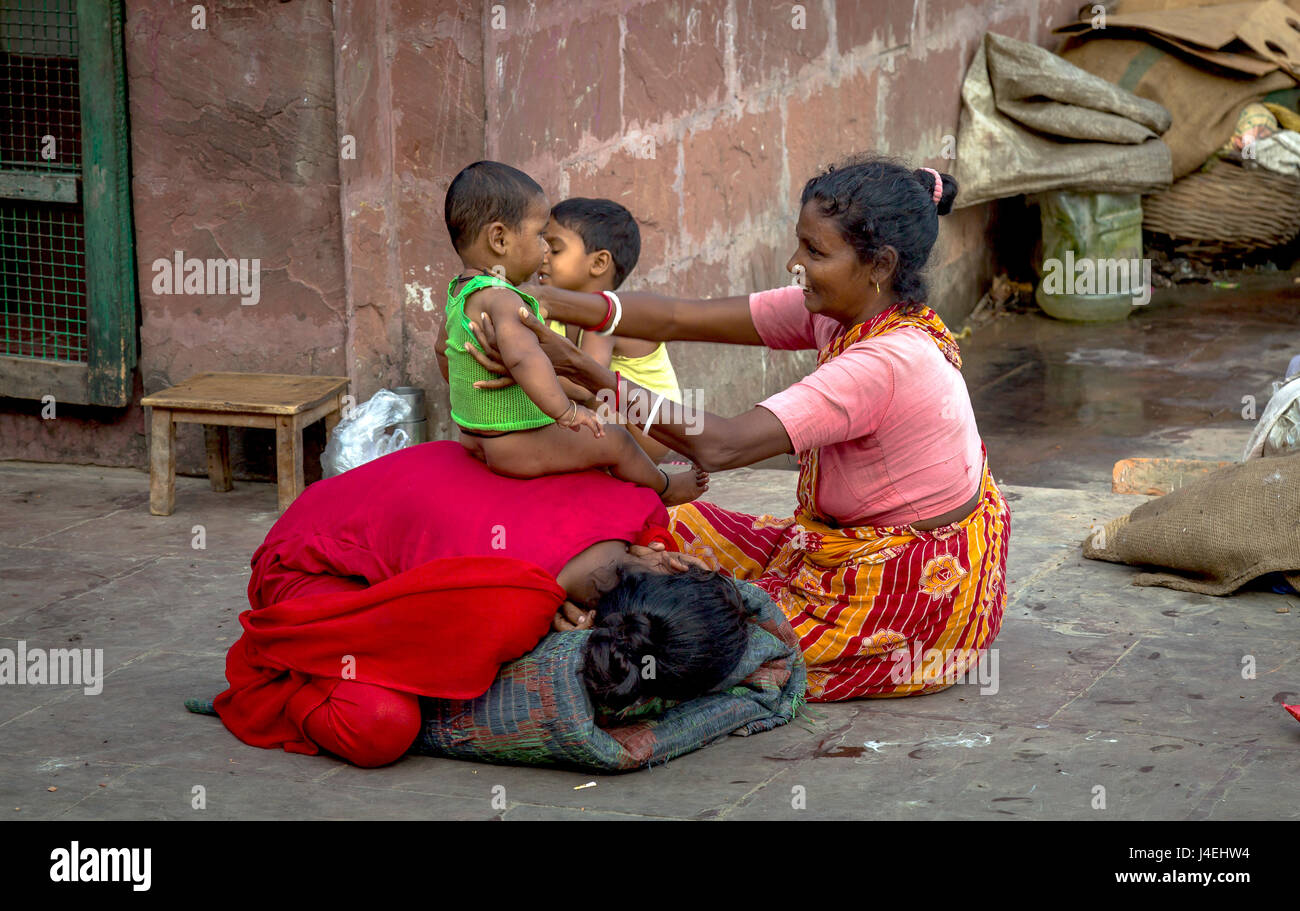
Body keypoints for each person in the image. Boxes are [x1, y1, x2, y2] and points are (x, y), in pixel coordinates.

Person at [462, 154, 1013, 703]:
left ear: (880, 265)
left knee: (688, 641)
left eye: (815, 251)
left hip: (901, 590)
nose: (795, 264)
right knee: (661, 527)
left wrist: (586, 374)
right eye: (800, 243)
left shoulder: (886, 361)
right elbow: (678, 317)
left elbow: (723, 444)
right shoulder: (846, 310)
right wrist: (541, 302)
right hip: (836, 545)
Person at [215, 441, 748, 768]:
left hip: (355, 508)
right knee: (380, 725)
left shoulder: (636, 501)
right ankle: (278, 676)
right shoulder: (509, 604)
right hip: (308, 566)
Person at [436, 160, 706, 506]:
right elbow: (525, 359)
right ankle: (666, 488)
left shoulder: (459, 294)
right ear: (499, 239)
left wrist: (473, 389)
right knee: (616, 442)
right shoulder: (505, 299)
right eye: (539, 237)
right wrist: (566, 413)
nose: (544, 251)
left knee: (593, 425)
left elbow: (443, 352)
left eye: (554, 245)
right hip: (514, 442)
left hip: (476, 437)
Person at [539, 197, 683, 463]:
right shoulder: (553, 311)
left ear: (598, 263)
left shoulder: (609, 318)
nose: (542, 256)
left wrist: (517, 372)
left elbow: (585, 387)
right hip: (620, 422)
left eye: (555, 250)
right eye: (542, 245)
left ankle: (618, 477)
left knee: (598, 396)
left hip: (652, 433)